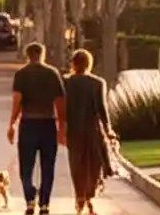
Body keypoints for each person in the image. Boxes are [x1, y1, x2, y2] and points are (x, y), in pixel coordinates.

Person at [8, 42, 66, 215]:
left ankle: (30, 199)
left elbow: (17, 100)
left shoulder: (21, 74)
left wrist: (12, 123)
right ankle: (44, 203)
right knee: (48, 166)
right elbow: (60, 102)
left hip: (28, 124)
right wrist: (62, 126)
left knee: (26, 166)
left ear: (27, 55)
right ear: (43, 54)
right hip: (48, 124)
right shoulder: (52, 73)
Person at [64, 49, 114, 215]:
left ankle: (80, 196)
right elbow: (102, 109)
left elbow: (61, 108)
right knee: (94, 165)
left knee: (76, 165)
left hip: (73, 131)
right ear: (89, 64)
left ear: (73, 64)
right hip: (93, 131)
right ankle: (89, 196)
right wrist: (108, 129)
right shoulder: (98, 83)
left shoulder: (66, 83)